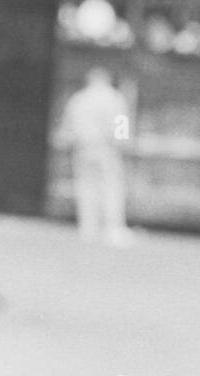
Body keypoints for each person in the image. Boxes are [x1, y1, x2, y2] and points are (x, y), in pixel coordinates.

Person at [58, 68, 132, 247]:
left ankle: (88, 230)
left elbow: (67, 128)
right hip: (106, 149)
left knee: (85, 189)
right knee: (111, 188)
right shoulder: (114, 98)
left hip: (83, 149)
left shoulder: (79, 99)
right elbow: (120, 129)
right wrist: (122, 146)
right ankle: (112, 230)